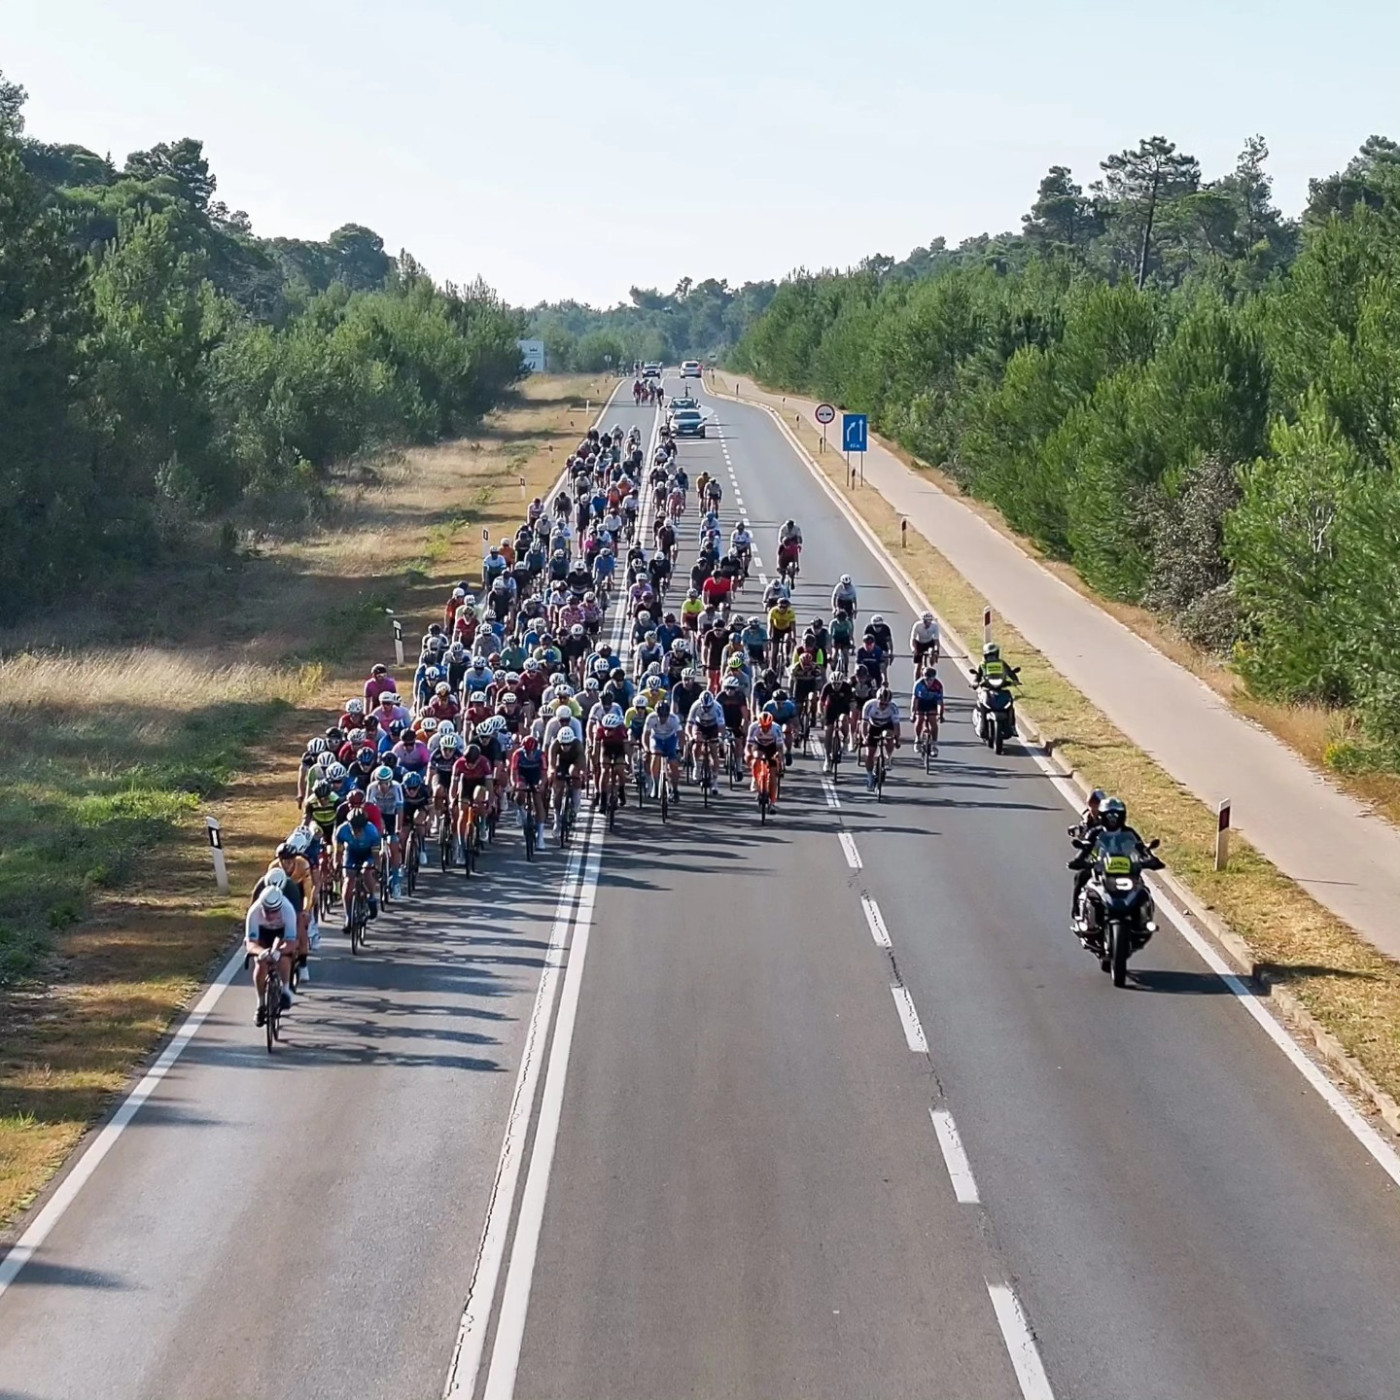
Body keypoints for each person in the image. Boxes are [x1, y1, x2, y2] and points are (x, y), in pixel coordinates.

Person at [1067, 796, 1164, 937]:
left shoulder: (1130, 833)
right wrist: (1079, 860)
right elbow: (1086, 848)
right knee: (1081, 877)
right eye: (1109, 816)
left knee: (1143, 892)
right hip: (1101, 869)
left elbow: (1141, 848)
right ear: (1102, 816)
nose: (1112, 819)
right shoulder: (1095, 832)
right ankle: (1077, 911)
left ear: (1122, 816)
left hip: (1127, 870)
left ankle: (1143, 921)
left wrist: (1151, 860)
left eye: (1116, 815)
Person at [244, 886, 294, 1027]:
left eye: (274, 911)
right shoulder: (254, 912)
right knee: (261, 963)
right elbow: (251, 943)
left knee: (284, 958)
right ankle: (260, 1004)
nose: (271, 915)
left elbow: (292, 942)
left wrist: (280, 951)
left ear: (280, 907)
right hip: (262, 933)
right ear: (262, 907)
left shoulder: (288, 910)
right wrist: (262, 952)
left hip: (281, 933)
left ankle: (285, 991)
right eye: (267, 911)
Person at [333, 807, 381, 935]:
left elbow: (376, 856)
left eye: (359, 828)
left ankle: (371, 897)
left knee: (366, 871)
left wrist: (377, 868)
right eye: (354, 828)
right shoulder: (342, 831)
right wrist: (336, 864)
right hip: (352, 853)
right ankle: (348, 916)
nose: (356, 831)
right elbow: (338, 852)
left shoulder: (372, 832)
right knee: (348, 881)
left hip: (368, 853)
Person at [860, 686, 901, 790]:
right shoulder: (869, 705)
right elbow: (864, 724)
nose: (883, 706)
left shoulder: (893, 707)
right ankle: (869, 777)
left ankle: (888, 757)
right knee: (870, 754)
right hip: (873, 726)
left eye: (886, 704)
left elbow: (896, 726)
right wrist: (864, 737)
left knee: (888, 735)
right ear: (877, 699)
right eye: (881, 703)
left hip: (887, 725)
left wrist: (897, 739)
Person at [745, 710, 786, 807]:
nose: (765, 729)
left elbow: (780, 748)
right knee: (756, 758)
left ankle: (773, 802)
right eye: (763, 727)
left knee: (772, 774)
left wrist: (780, 759)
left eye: (767, 727)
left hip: (772, 746)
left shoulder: (776, 728)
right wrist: (748, 755)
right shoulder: (753, 727)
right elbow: (748, 746)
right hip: (758, 745)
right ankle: (755, 779)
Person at [911, 666, 945, 754]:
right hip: (921, 702)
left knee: (933, 721)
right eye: (926, 679)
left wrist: (940, 714)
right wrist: (913, 713)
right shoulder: (918, 684)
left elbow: (939, 702)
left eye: (931, 680)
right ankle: (918, 739)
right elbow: (915, 700)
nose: (928, 682)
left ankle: (934, 744)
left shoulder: (938, 685)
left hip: (932, 702)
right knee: (919, 719)